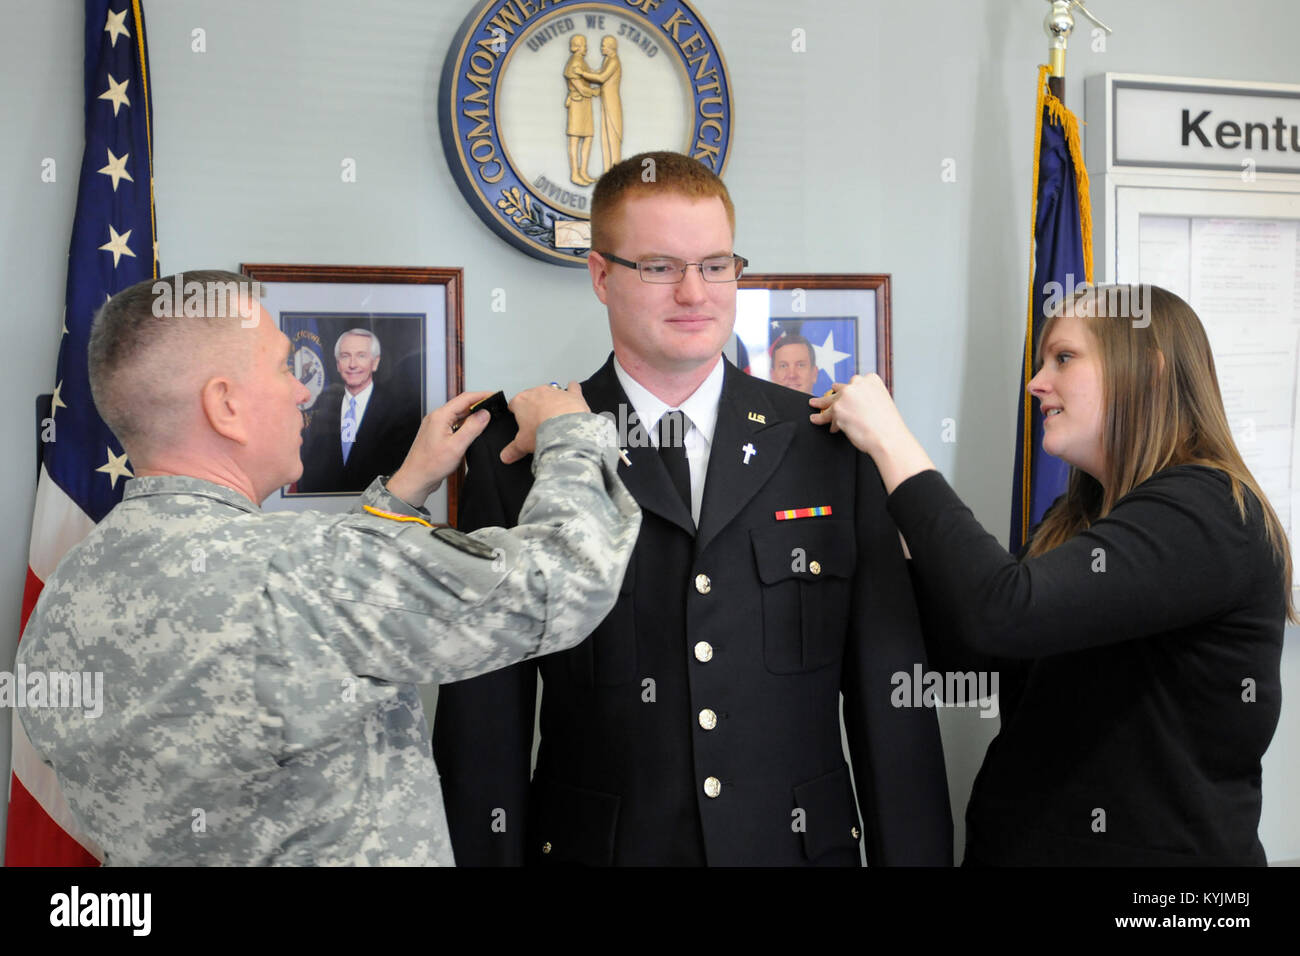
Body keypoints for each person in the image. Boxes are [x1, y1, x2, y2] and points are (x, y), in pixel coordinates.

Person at [16, 270, 640, 866]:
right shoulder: (302, 571)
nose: (304, 390)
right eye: (285, 366)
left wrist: (403, 491)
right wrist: (571, 434)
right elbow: (563, 580)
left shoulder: (64, 596)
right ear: (224, 406)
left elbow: (317, 623)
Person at [433, 152, 952, 866]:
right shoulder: (519, 457)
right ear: (602, 275)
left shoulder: (830, 445)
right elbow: (483, 726)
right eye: (658, 267)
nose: (693, 293)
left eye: (715, 265)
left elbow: (889, 699)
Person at [809, 284, 1294, 865]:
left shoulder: (1209, 511)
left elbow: (1004, 614)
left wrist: (893, 444)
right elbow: (975, 646)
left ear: (1150, 371)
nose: (1038, 382)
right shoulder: (1078, 520)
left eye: (1063, 358)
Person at [298, 328, 419, 494]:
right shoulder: (324, 404)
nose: (352, 364)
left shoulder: (400, 411)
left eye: (361, 355)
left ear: (375, 362)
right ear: (337, 364)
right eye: (345, 356)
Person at [577, 35, 623, 174]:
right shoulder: (608, 59)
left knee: (613, 136)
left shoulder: (614, 61)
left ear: (610, 47)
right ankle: (608, 170)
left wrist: (582, 73)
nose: (601, 47)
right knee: (605, 137)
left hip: (612, 103)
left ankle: (616, 170)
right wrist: (590, 72)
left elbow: (602, 77)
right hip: (605, 101)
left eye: (603, 45)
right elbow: (599, 73)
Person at [563, 35, 598, 186]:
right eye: (583, 44)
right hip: (577, 103)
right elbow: (581, 88)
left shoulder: (582, 61)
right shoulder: (574, 63)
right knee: (575, 139)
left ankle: (583, 171)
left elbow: (591, 76)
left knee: (588, 137)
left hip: (585, 104)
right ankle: (574, 174)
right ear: (577, 46)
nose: (586, 47)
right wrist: (595, 92)